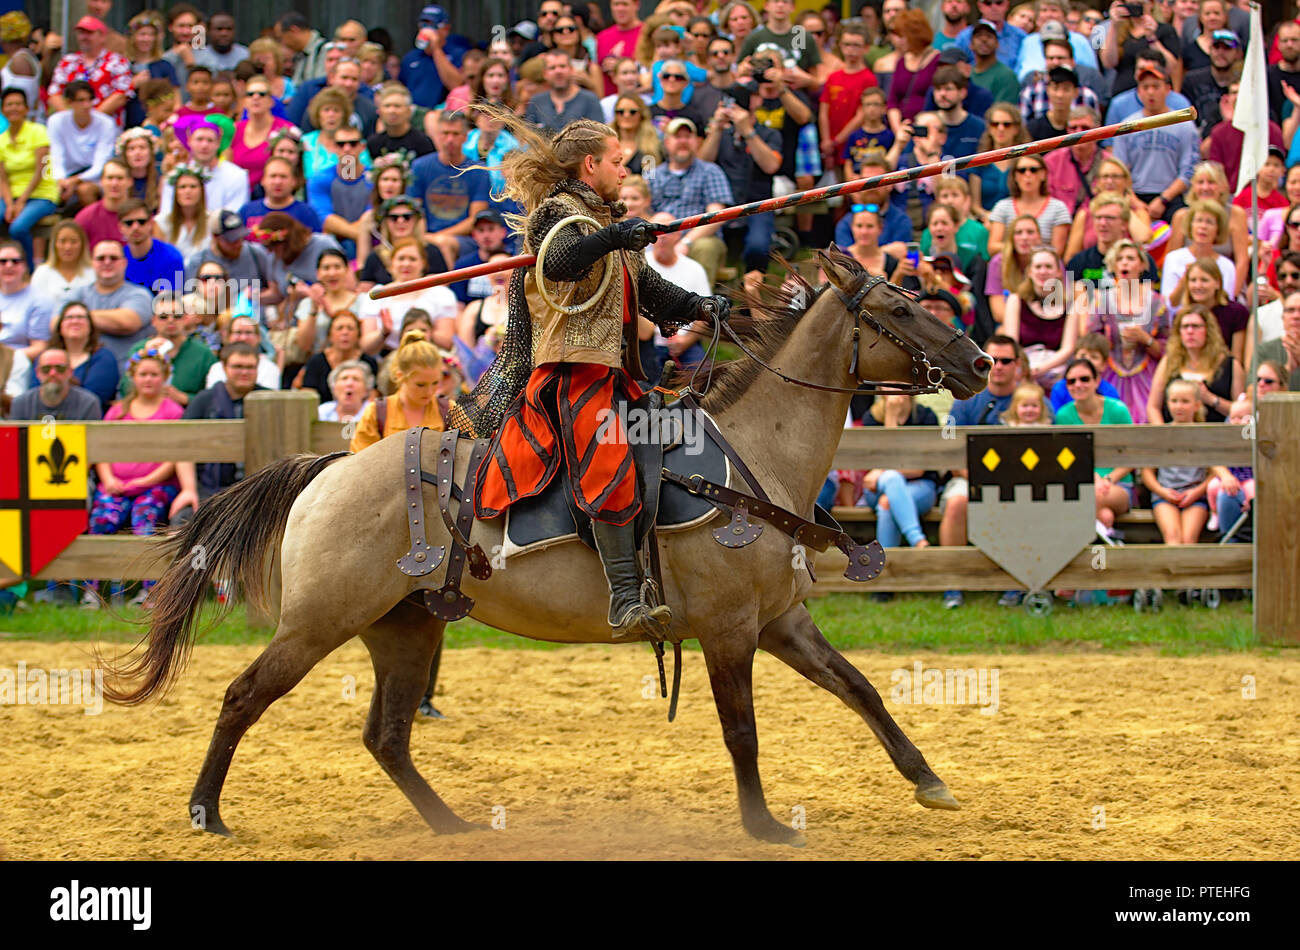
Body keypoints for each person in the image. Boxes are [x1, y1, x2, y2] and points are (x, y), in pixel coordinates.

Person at [458, 107, 725, 641]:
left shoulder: (605, 222)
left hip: (612, 373)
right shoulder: (558, 214)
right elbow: (558, 262)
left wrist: (703, 305)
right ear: (590, 165)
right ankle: (624, 598)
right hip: (570, 373)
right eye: (618, 162)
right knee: (606, 460)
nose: (624, 172)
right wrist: (618, 237)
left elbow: (650, 293)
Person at [86, 347, 184, 607]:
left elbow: (175, 457)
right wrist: (107, 479)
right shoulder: (117, 411)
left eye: (154, 374)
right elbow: (102, 450)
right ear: (133, 376)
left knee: (145, 519)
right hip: (115, 485)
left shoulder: (172, 412)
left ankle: (150, 590)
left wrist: (146, 481)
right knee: (102, 520)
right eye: (143, 374)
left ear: (164, 377)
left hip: (155, 486)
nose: (148, 379)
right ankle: (92, 589)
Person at [936, 334, 1025, 608]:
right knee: (957, 504)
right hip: (969, 477)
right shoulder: (965, 399)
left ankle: (1017, 583)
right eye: (992, 360)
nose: (998, 366)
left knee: (1023, 505)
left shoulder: (1031, 400)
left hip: (1020, 482)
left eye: (1006, 361)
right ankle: (952, 585)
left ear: (1017, 365)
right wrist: (975, 478)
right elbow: (949, 449)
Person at [172, 342, 266, 521]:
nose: (244, 372)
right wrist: (189, 489)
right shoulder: (205, 400)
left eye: (250, 367)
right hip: (207, 487)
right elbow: (183, 445)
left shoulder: (269, 399)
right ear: (224, 367)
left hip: (258, 487)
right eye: (237, 366)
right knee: (182, 520)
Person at [1081, 239, 1168, 422]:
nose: (1125, 263)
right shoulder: (1102, 301)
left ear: (1142, 265)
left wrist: (1146, 339)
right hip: (1110, 372)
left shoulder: (1157, 303)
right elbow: (1090, 340)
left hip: (1147, 375)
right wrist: (1107, 342)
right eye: (1120, 259)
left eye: (1130, 258)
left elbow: (1169, 347)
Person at [643, 117, 733, 288]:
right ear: (667, 142)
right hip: (660, 236)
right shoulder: (653, 174)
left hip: (698, 238)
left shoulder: (710, 171)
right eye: (677, 137)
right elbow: (643, 211)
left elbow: (717, 215)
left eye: (688, 136)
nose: (683, 141)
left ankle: (701, 306)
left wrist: (685, 242)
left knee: (706, 247)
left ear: (697, 141)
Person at [1054, 357, 1134, 533]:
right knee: (1105, 515)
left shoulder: (1118, 410)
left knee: (1091, 496)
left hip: (1118, 484)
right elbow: (1066, 458)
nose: (1078, 385)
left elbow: (1131, 455)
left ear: (1097, 381)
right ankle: (1108, 541)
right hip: (1082, 482)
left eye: (1084, 379)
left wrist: (1108, 479)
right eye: (1071, 381)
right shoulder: (1063, 416)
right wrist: (1091, 478)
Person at [1113, 66, 1197, 223]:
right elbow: (1119, 171)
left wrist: (1164, 199)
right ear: (1138, 91)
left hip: (1171, 197)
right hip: (1136, 195)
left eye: (1156, 86)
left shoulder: (1184, 126)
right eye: (1145, 87)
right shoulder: (1126, 126)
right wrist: (1136, 203)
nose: (1150, 92)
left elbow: (1188, 171)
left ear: (1167, 89)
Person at [410, 110, 490, 270]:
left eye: (455, 134)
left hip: (464, 239)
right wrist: (424, 236)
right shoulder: (419, 167)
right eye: (445, 133)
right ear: (437, 135)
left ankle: (447, 291)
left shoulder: (477, 170)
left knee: (444, 244)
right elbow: (416, 212)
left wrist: (438, 237)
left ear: (465, 137)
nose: (449, 140)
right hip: (427, 234)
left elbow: (475, 219)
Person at [1142, 378, 1212, 547]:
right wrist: (1162, 491)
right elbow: (1147, 472)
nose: (1179, 406)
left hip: (1195, 496)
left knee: (1188, 539)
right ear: (1167, 404)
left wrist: (1196, 492)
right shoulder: (1161, 434)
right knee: (1172, 536)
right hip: (1165, 495)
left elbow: (1215, 472)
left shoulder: (1205, 435)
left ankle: (1188, 573)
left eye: (1185, 402)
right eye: (1174, 401)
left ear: (1196, 405)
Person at [359, 237, 458, 354]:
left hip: (431, 356)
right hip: (390, 357)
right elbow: (366, 347)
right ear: (391, 264)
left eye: (412, 259)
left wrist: (423, 328)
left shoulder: (440, 294)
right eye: (401, 259)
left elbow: (447, 342)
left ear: (423, 263)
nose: (406, 264)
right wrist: (384, 332)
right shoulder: (377, 294)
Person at [1147, 307, 1243, 424]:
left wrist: (1210, 399)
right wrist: (1165, 434)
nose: (1190, 331)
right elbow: (1153, 407)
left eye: (1196, 326)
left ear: (1208, 330)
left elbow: (1241, 411)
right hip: (1174, 435)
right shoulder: (1168, 362)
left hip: (1217, 436)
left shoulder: (1230, 365)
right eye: (1185, 326)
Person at [124, 291, 215, 408]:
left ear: (185, 319)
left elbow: (215, 397)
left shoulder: (203, 354)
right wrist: (145, 356)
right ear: (153, 321)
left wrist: (184, 398)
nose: (170, 320)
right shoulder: (139, 350)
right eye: (163, 316)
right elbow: (125, 390)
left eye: (177, 316)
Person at [0, 87, 58, 267]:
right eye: (9, 105)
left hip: (41, 195)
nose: (14, 108)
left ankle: (29, 269)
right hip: (13, 196)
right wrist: (10, 203)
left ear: (26, 108)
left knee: (18, 227)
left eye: (18, 104)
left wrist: (20, 202)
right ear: (3, 110)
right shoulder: (1, 139)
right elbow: (2, 178)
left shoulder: (38, 131)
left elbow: (41, 171)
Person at [1003, 246, 1078, 385]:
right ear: (1030, 272)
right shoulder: (1016, 301)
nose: (1043, 271)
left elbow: (1068, 349)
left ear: (1058, 272)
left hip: (1056, 372)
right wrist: (1026, 369)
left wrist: (1040, 369)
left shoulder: (1070, 305)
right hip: (1023, 370)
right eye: (1038, 267)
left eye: (1048, 267)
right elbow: (1011, 343)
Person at [1063, 160, 1154, 263]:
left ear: (1126, 181)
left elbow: (1143, 238)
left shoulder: (1138, 212)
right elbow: (1070, 257)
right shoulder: (1086, 213)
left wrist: (1124, 205)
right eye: (1105, 176)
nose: (1110, 181)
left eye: (1116, 176)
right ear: (1097, 182)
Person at [47, 80, 119, 209]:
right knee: (53, 190)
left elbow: (100, 164)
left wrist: (75, 181)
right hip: (67, 175)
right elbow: (56, 156)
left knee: (85, 190)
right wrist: (62, 180)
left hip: (96, 177)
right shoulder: (56, 121)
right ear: (69, 103)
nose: (86, 105)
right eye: (80, 100)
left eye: (89, 100)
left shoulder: (106, 123)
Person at [46, 16, 133, 120]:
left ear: (102, 36)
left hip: (106, 126)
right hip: (71, 127)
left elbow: (121, 95)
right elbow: (54, 93)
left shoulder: (117, 61)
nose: (84, 37)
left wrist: (91, 121)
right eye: (81, 33)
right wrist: (71, 120)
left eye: (89, 33)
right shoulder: (67, 61)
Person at [984, 153, 1071, 256]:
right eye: (1022, 170)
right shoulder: (1002, 207)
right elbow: (993, 247)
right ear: (1015, 176)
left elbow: (1057, 251)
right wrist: (1022, 248)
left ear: (1043, 174)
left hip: (1044, 267)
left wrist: (1025, 248)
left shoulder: (1058, 208)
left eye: (1033, 170)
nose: (1027, 174)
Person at [159, 119, 250, 214]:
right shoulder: (177, 174)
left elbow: (234, 214)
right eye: (199, 139)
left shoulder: (236, 175)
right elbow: (166, 214)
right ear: (189, 141)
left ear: (218, 143)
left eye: (210, 140)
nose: (204, 145)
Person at [1160, 199, 1235, 314]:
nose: (1203, 226)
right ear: (1190, 225)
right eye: (1198, 221)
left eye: (1209, 222)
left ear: (1218, 229)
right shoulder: (1173, 258)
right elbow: (1168, 304)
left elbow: (1226, 304)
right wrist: (1185, 279)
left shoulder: (1226, 266)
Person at [1168, 256, 1247, 364]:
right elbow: (1176, 354)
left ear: (1217, 284)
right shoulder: (1182, 315)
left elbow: (1236, 358)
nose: (1198, 286)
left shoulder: (1236, 313)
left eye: (1204, 280)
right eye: (1193, 280)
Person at [295, 310, 377, 405]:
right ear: (330, 335)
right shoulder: (316, 361)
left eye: (350, 328)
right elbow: (308, 395)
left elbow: (372, 398)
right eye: (339, 328)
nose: (345, 333)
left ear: (358, 335)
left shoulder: (368, 362)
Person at [231, 76, 295, 192]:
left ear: (271, 101)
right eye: (250, 94)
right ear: (244, 101)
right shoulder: (234, 130)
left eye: (262, 94)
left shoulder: (287, 130)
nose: (256, 97)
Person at [10, 347, 104, 425]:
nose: (53, 373)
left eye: (60, 368)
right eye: (46, 369)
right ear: (37, 373)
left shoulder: (88, 403)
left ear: (70, 372)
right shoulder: (20, 403)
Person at [968, 102, 1028, 224]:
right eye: (995, 124)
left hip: (1018, 222)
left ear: (1016, 129)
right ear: (989, 128)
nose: (1000, 128)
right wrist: (991, 217)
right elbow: (975, 206)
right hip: (986, 221)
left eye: (1006, 125)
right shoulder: (978, 163)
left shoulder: (1026, 163)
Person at [398, 5, 466, 109]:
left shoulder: (457, 54)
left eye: (431, 25)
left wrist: (436, 49)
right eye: (422, 24)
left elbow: (456, 85)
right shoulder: (411, 57)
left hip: (443, 114)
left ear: (446, 29)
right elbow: (402, 89)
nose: (425, 29)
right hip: (414, 113)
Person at [885, 10, 941, 130]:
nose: (898, 41)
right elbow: (892, 101)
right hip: (901, 128)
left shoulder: (937, 60)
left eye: (902, 36)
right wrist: (898, 129)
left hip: (928, 128)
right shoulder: (901, 62)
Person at [240, 156, 322, 233]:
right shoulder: (247, 211)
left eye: (283, 177)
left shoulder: (306, 213)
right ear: (263, 180)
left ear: (293, 181)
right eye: (273, 176)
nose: (277, 182)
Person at [118, 198, 185, 294]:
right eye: (129, 223)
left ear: (151, 224)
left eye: (141, 222)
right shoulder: (117, 258)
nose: (135, 227)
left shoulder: (171, 257)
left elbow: (172, 301)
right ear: (120, 227)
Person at [0, 241, 51, 362]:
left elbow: (39, 347)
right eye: (3, 261)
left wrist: (4, 358)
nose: (9, 266)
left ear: (24, 266)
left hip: (20, 364)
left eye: (15, 261)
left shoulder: (39, 300)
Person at [204, 315, 281, 391]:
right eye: (238, 332)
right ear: (229, 337)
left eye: (248, 332)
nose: (243, 338)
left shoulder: (270, 369)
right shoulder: (216, 369)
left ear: (258, 337)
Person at [31, 220, 94, 300]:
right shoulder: (42, 273)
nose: (68, 247)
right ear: (55, 244)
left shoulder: (93, 271)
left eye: (73, 242)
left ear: (82, 244)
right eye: (62, 241)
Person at [1253, 291, 1300, 391]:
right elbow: (1251, 390)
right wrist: (1286, 370)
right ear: (1283, 317)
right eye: (1291, 310)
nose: (1296, 316)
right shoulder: (1264, 350)